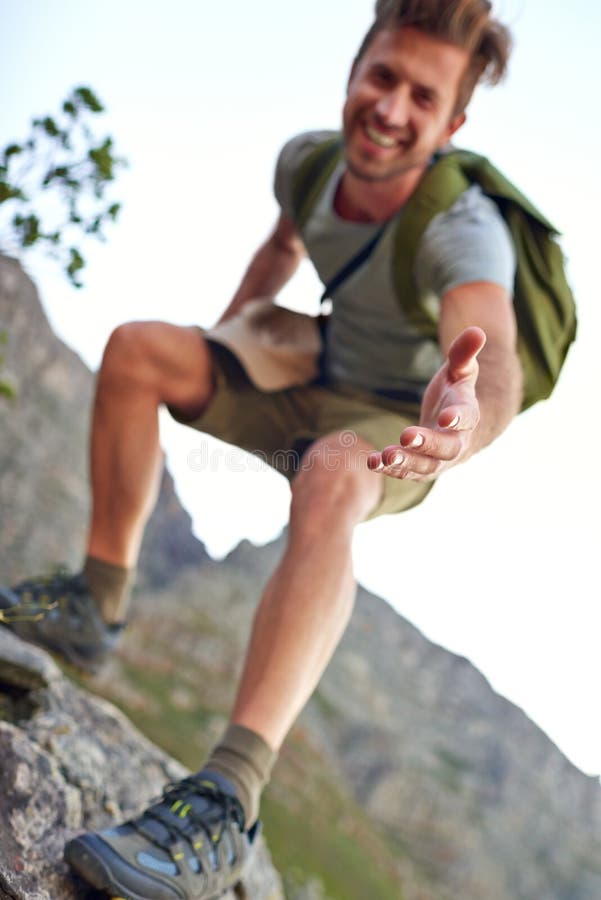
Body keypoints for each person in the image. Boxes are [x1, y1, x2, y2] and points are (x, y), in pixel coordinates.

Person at [1, 1, 524, 897]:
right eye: (382, 76)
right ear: (355, 68)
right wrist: (226, 335)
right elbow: (283, 245)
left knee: (329, 475)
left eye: (420, 97)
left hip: (393, 421)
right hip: (304, 369)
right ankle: (97, 603)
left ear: (451, 126)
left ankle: (226, 800)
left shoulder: (461, 227)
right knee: (137, 349)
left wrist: (461, 415)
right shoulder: (309, 163)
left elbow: (494, 354)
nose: (391, 108)